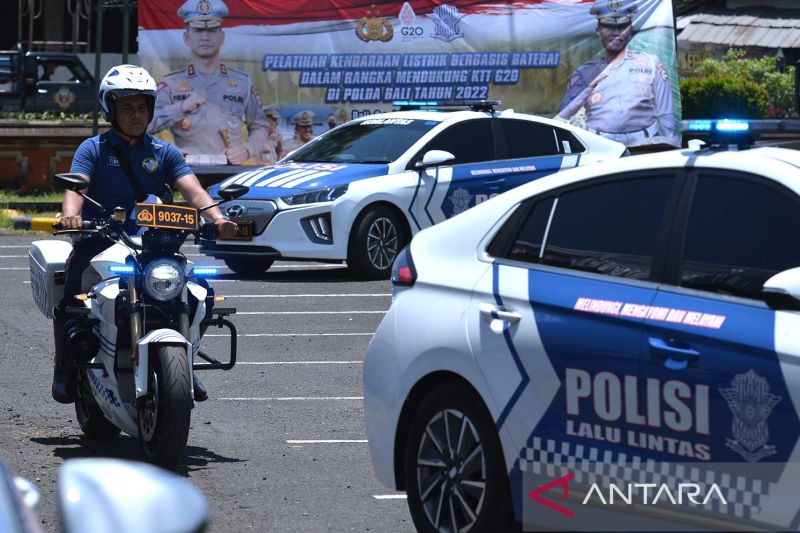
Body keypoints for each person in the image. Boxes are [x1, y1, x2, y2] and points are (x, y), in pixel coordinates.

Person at [51, 64, 238, 405]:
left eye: (141, 108)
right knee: (72, 297)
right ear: (111, 110)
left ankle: (184, 355)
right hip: (100, 239)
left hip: (152, 243)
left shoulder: (164, 152)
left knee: (202, 293)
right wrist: (71, 216)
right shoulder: (93, 148)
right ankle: (66, 366)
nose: (136, 115)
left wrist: (217, 218)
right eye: (127, 108)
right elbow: (76, 186)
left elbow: (194, 191)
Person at [148, 0, 268, 164]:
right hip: (184, 171)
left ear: (222, 37)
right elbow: (147, 125)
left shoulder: (242, 82)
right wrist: (180, 108)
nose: (205, 37)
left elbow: (261, 126)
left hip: (228, 170)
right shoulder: (170, 83)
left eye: (212, 30)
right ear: (187, 37)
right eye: (198, 30)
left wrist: (247, 150)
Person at [557, 0, 677, 147]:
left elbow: (666, 112)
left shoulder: (650, 63)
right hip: (599, 146)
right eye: (608, 26)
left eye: (622, 26)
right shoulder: (584, 72)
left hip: (644, 145)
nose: (616, 33)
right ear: (598, 31)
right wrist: (589, 86)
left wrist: (671, 145)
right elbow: (564, 115)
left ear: (630, 28)